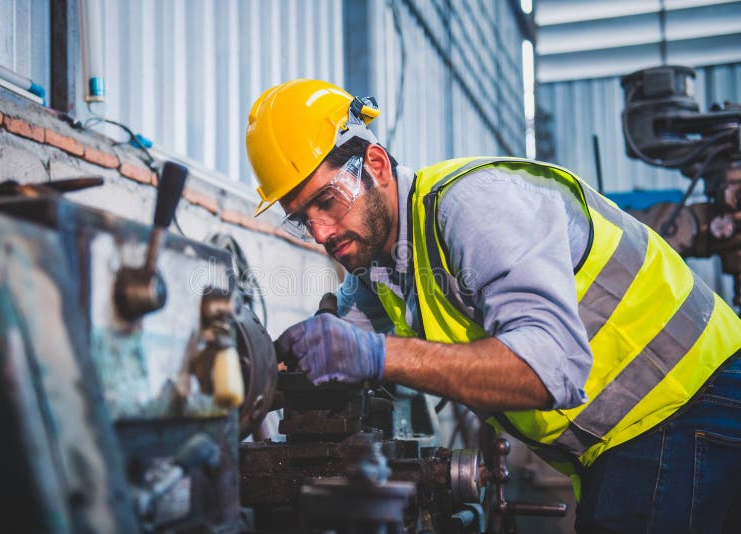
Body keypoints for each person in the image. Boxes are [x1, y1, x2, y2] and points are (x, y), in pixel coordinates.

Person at [245, 79, 741, 533]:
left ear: (374, 166)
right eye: (301, 219)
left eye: (326, 201)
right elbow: (325, 358)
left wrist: (376, 355)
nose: (321, 233)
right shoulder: (377, 268)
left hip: (691, 399)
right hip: (629, 432)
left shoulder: (473, 206)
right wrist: (260, 368)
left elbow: (550, 368)